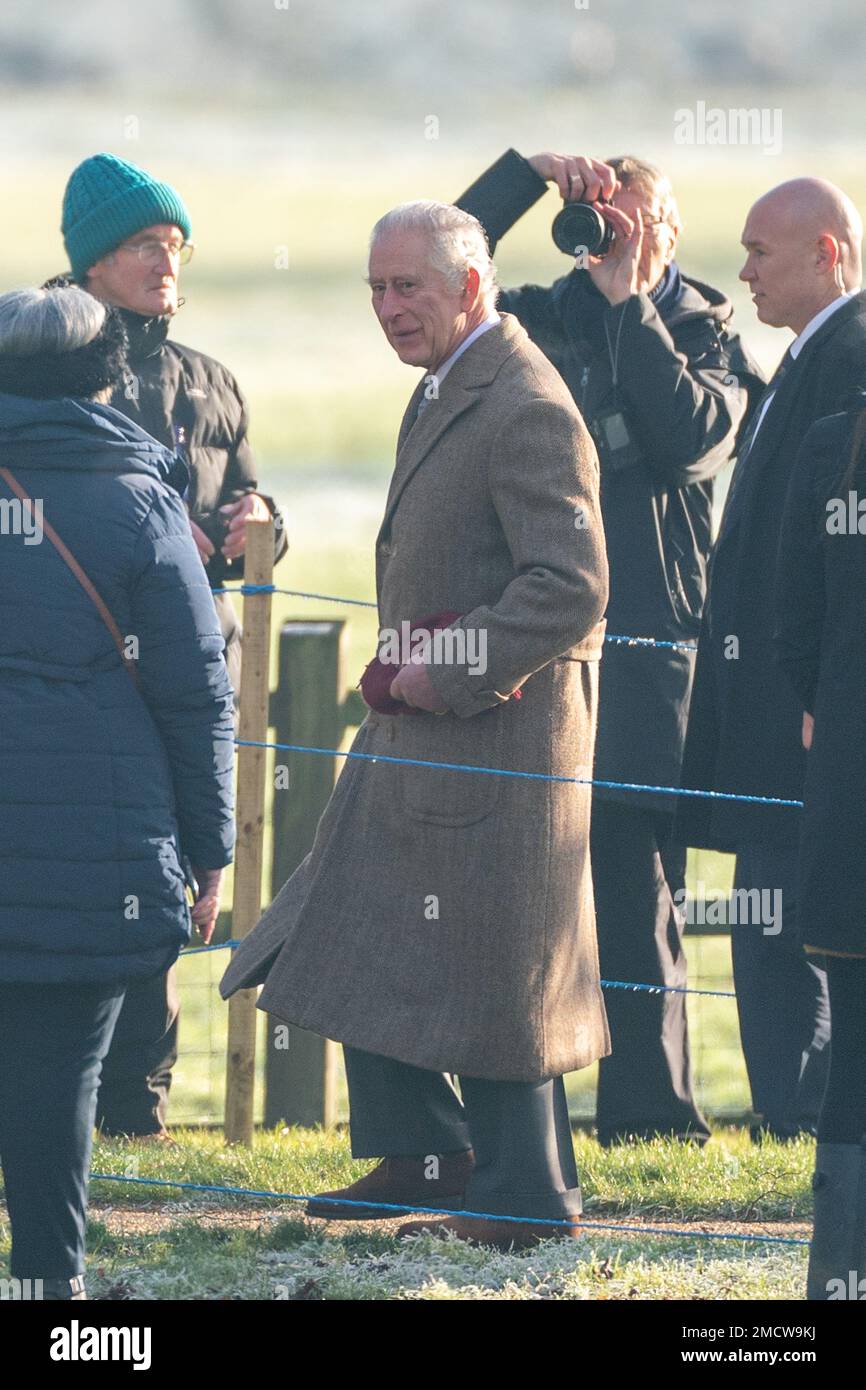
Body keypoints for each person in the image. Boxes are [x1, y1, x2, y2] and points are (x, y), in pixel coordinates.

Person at [221, 200, 610, 1249]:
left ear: (470, 290)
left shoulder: (523, 399)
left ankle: (527, 1200)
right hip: (426, 741)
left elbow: (569, 586)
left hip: (496, 745)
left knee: (496, 967)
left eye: (410, 290)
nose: (389, 310)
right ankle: (423, 1154)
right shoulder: (449, 379)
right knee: (354, 924)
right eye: (376, 290)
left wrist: (442, 669)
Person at [456, 148, 763, 1146]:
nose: (603, 233)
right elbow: (440, 267)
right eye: (591, 216)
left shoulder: (710, 337)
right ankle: (522, 1129)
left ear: (666, 229)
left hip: (647, 647)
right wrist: (521, 177)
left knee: (632, 884)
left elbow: (683, 440)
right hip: (537, 636)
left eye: (622, 217)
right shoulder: (541, 318)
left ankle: (646, 1116)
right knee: (517, 883)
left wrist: (627, 300)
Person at [0, 286, 235, 1299]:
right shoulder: (140, 500)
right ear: (105, 380)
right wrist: (209, 845)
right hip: (96, 847)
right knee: (60, 1075)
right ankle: (52, 1291)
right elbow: (196, 692)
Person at [52, 152, 287, 1139]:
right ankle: (50, 1097)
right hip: (71, 674)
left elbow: (259, 509)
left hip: (188, 675)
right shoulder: (39, 365)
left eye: (176, 245)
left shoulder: (209, 380)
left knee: (166, 882)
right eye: (147, 244)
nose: (166, 263)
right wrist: (151, 538)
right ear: (95, 259)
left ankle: (135, 1109)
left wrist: (255, 521)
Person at [676, 178, 866, 1141]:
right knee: (770, 907)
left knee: (796, 911)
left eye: (762, 252)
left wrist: (820, 689)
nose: (742, 271)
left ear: (829, 253)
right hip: (787, 696)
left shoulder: (854, 353)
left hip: (812, 706)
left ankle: (802, 1111)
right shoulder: (809, 353)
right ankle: (791, 1108)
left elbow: (840, 554)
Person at [775, 402, 866, 1299]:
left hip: (850, 786)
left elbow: (792, 627)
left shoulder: (832, 442)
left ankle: (841, 1280)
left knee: (857, 1049)